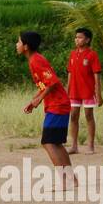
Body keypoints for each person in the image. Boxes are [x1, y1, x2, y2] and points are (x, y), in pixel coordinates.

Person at [18, 31, 72, 188]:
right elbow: (44, 85)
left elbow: (53, 82)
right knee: (56, 143)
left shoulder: (36, 60)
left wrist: (38, 101)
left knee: (48, 143)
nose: (17, 45)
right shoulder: (34, 60)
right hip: (57, 104)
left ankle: (64, 181)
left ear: (26, 46)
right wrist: (34, 100)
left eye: (19, 42)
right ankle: (71, 179)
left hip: (57, 105)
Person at [66, 27, 103, 154]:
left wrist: (98, 94)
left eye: (80, 37)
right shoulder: (72, 54)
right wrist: (67, 90)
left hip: (87, 91)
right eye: (76, 37)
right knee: (73, 116)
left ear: (87, 40)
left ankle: (90, 145)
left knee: (88, 116)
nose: (77, 40)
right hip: (74, 92)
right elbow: (70, 74)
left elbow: (96, 76)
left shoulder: (92, 55)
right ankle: (74, 145)